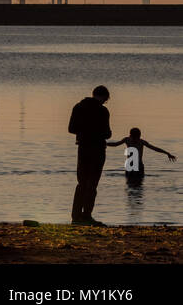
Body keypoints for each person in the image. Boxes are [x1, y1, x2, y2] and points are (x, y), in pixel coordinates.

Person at [68, 85, 112, 225]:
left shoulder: (78, 107)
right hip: (97, 149)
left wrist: (84, 132)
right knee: (92, 184)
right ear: (104, 96)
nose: (105, 101)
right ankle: (86, 215)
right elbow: (107, 133)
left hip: (83, 148)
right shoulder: (102, 111)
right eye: (106, 99)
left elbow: (71, 129)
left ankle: (76, 216)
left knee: (81, 183)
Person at [108, 127, 175, 185]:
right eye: (134, 138)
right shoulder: (127, 140)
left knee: (137, 184)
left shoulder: (141, 142)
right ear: (130, 135)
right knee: (130, 183)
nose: (135, 140)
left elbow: (154, 148)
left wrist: (167, 153)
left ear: (139, 136)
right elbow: (115, 144)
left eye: (137, 138)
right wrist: (104, 143)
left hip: (138, 166)